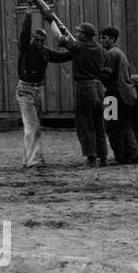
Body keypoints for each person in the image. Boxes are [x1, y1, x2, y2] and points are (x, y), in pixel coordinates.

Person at [46, 21, 108, 167]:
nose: (77, 34)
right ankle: (103, 157)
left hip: (85, 87)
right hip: (99, 87)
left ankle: (91, 158)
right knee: (98, 123)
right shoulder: (98, 48)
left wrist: (51, 21)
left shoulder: (80, 46)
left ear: (85, 36)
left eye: (80, 32)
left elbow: (59, 39)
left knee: (85, 123)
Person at [15, 12, 62, 170]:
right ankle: (32, 161)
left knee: (34, 126)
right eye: (36, 40)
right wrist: (28, 14)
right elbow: (24, 33)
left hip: (37, 91)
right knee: (32, 127)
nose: (39, 42)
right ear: (32, 39)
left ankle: (31, 158)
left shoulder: (45, 52)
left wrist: (79, 49)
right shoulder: (26, 48)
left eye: (42, 40)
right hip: (25, 90)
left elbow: (64, 56)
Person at [98, 26, 138, 165]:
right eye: (100, 37)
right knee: (125, 126)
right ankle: (134, 155)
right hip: (126, 94)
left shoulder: (111, 54)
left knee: (112, 127)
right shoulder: (119, 53)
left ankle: (122, 157)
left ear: (112, 39)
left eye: (104, 38)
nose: (101, 40)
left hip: (115, 94)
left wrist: (95, 70)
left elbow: (107, 75)